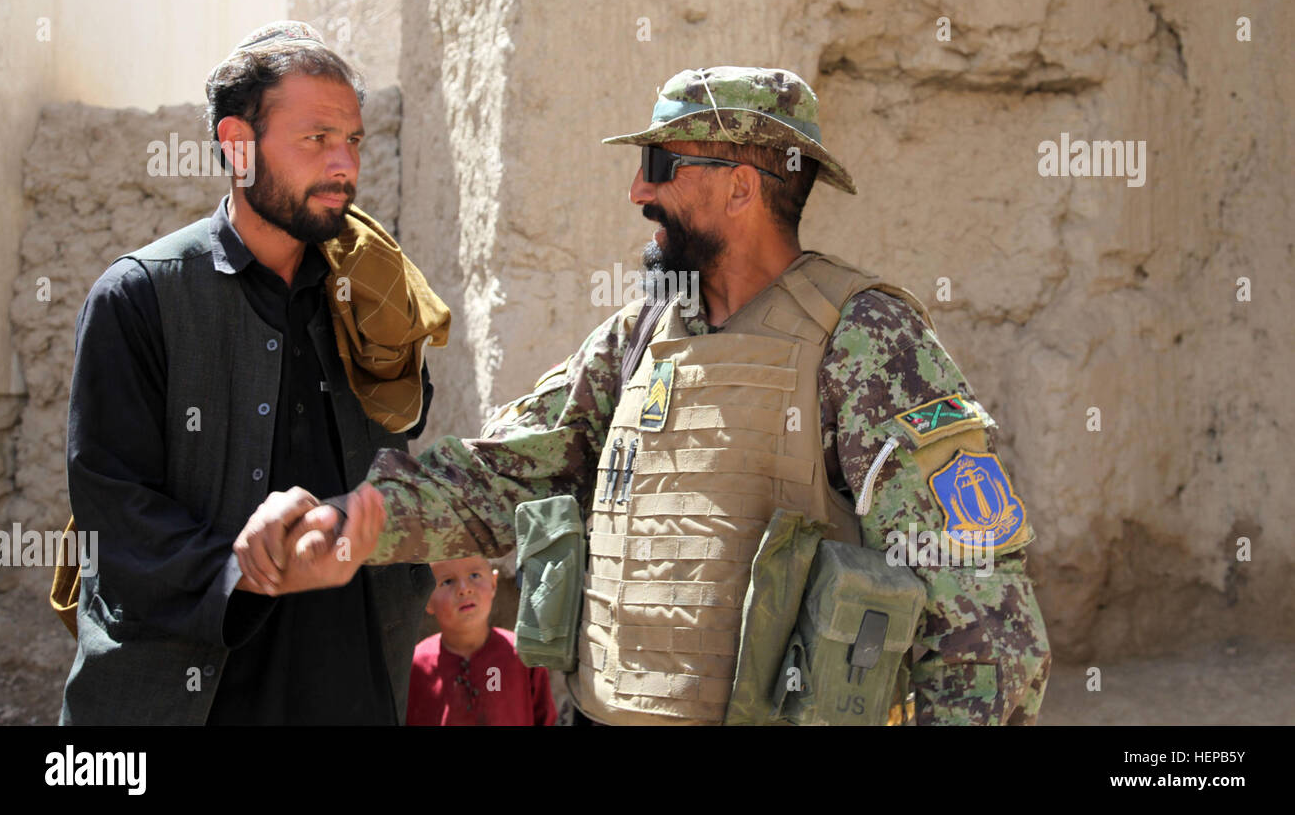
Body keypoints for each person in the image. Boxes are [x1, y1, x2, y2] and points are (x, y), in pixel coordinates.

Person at [249, 66, 1051, 725]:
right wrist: (360, 522)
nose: (638, 189)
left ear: (742, 187)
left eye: (663, 165)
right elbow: (512, 470)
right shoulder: (642, 333)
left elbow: (982, 619)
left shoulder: (866, 337)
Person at [60, 21, 450, 725]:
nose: (345, 166)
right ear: (239, 145)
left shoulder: (364, 284)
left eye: (354, 141)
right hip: (197, 696)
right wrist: (255, 572)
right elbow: (114, 512)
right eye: (317, 139)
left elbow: (403, 423)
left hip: (356, 683)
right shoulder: (140, 296)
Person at [405, 555, 557, 725]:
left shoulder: (522, 655)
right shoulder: (417, 666)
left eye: (474, 575)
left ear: (493, 583)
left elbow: (545, 718)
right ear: (427, 599)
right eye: (447, 581)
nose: (464, 589)